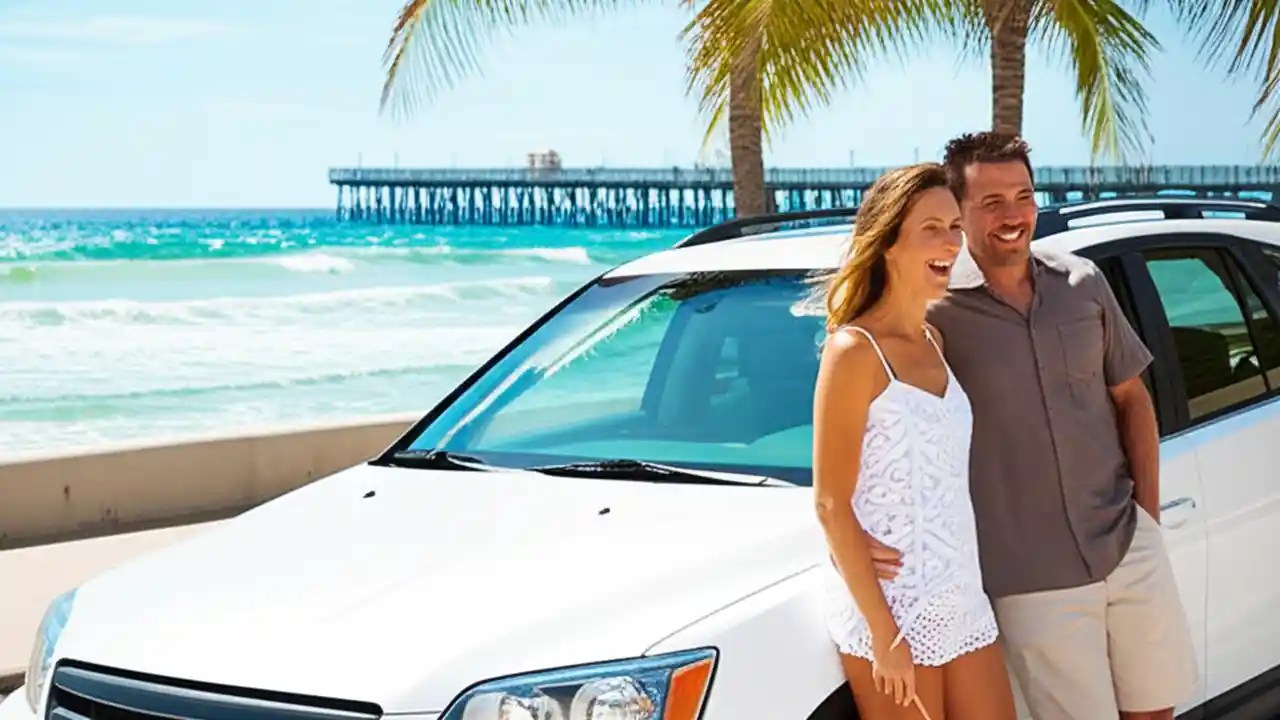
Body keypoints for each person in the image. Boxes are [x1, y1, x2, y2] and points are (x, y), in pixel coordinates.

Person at [864, 131, 1199, 720]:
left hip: (1125, 541)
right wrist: (846, 524)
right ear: (958, 214)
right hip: (1028, 576)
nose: (1013, 215)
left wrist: (1145, 515)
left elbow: (1132, 400)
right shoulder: (933, 316)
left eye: (1023, 195)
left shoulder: (1083, 283)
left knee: (1155, 712)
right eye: (991, 202)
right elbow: (877, 416)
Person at [812, 162, 1018, 720]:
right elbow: (831, 502)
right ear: (888, 243)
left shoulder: (934, 339)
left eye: (955, 228)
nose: (951, 243)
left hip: (961, 597)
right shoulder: (854, 352)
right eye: (932, 228)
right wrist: (886, 634)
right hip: (894, 609)